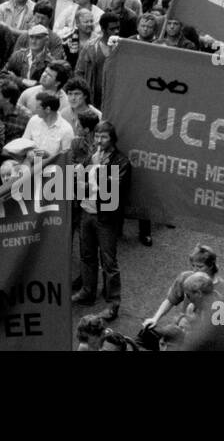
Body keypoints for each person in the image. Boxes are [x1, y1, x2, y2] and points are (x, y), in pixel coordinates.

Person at [74, 121, 132, 320]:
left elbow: (113, 190)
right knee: (87, 255)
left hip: (105, 216)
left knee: (109, 262)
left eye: (104, 137)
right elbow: (79, 178)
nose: (99, 140)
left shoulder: (121, 162)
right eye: (97, 136)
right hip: (86, 211)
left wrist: (98, 168)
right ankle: (87, 291)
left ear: (112, 139)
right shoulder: (91, 156)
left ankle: (113, 304)